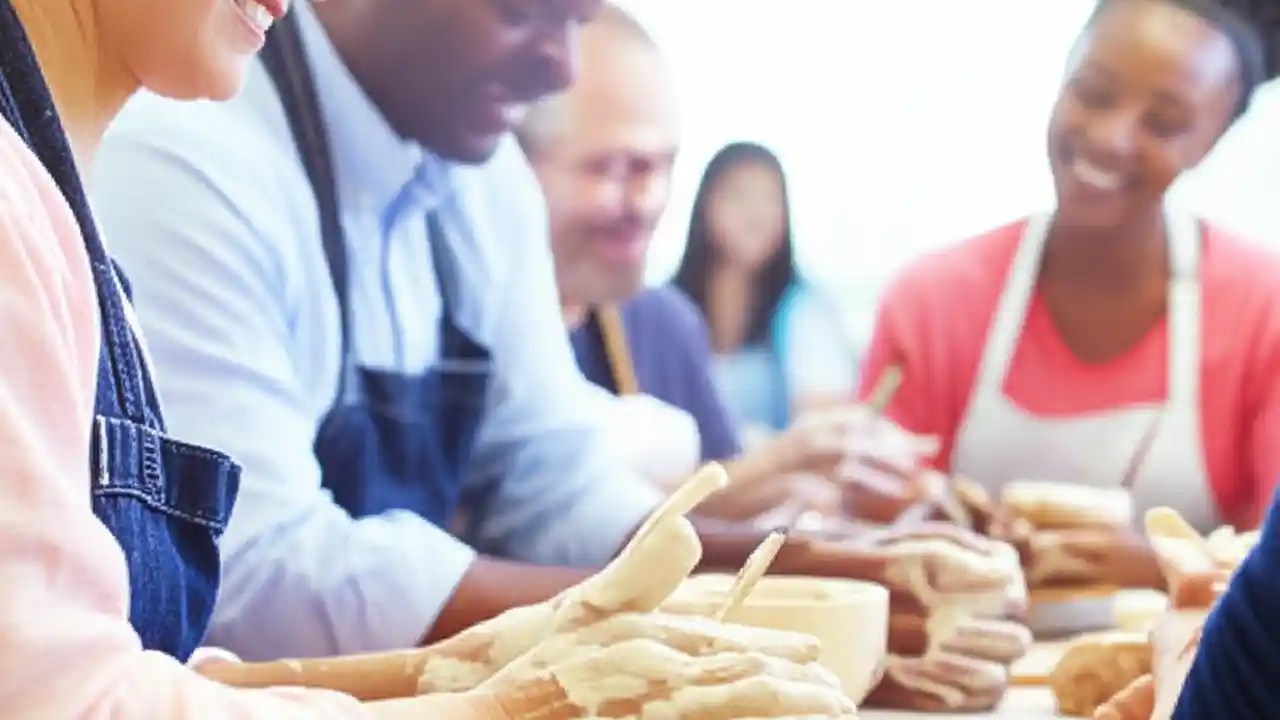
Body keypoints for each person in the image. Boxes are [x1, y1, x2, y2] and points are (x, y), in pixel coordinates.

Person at [0, 0, 706, 716]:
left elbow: (143, 663)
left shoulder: (54, 196)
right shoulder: (138, 167)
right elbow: (65, 695)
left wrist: (454, 667)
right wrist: (484, 705)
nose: (563, 66)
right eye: (523, 12)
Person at [853, 0, 1278, 590]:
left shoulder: (1263, 311)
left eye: (1162, 123)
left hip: (1189, 679)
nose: (1110, 138)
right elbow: (864, 533)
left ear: (1211, 141)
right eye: (1093, 93)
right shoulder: (932, 299)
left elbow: (1273, 572)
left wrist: (1159, 566)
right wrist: (910, 508)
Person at [519, 5, 850, 520]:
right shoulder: (466, 334)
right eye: (611, 168)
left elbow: (716, 505)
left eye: (662, 166)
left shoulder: (666, 324)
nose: (647, 201)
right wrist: (781, 462)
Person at [672, 141, 856, 440]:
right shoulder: (665, 310)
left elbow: (825, 429)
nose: (755, 215)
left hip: (779, 482)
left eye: (770, 200)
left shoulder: (805, 310)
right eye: (739, 197)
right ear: (705, 205)